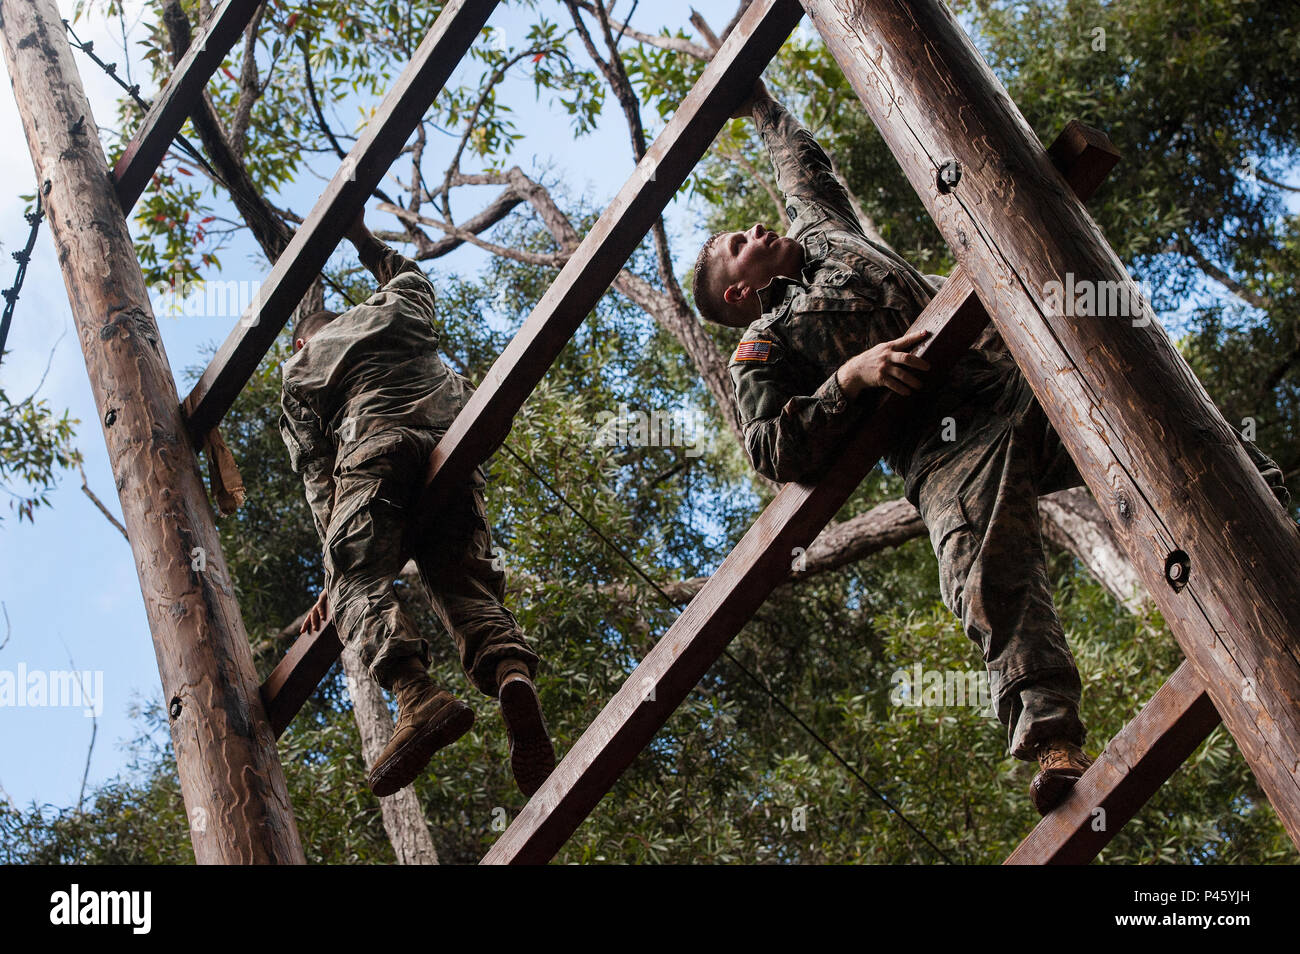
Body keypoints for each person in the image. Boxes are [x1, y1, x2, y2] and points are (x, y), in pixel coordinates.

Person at [693, 82, 1291, 814]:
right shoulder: (763, 345)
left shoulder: (821, 231)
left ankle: (1271, 526)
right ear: (737, 295)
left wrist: (757, 107)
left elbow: (799, 164)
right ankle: (1053, 742)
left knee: (1160, 421)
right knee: (983, 571)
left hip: (1015, 372)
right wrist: (849, 377)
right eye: (736, 245)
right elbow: (770, 447)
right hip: (944, 447)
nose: (753, 229)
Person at [280, 212, 557, 799]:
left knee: (359, 577)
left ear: (303, 339)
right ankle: (509, 670)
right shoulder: (400, 304)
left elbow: (316, 475)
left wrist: (338, 570)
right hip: (451, 455)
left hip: (374, 449)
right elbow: (406, 271)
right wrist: (359, 237)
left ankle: (415, 694)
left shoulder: (300, 367)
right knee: (464, 581)